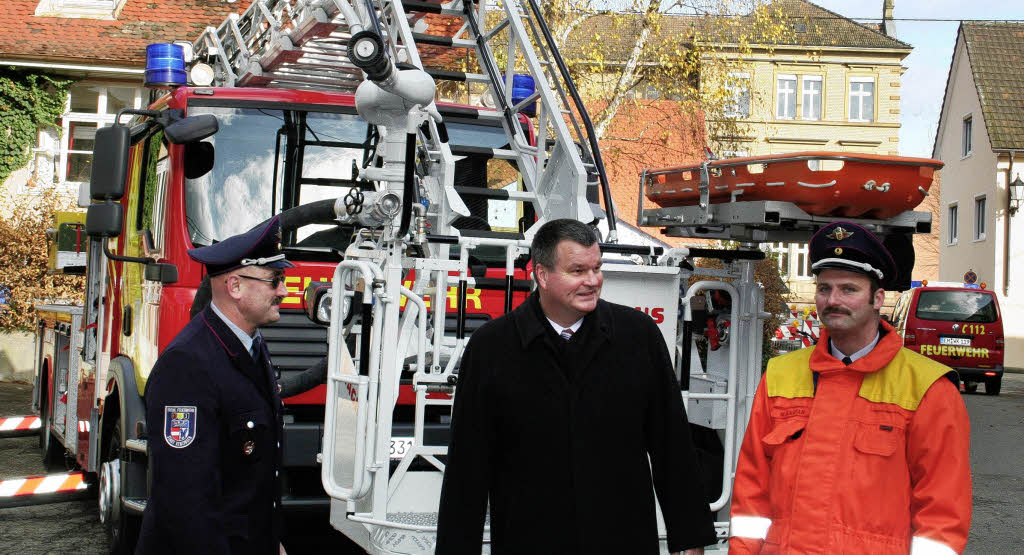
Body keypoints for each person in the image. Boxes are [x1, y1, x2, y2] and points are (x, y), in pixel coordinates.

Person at [436, 219, 716, 555]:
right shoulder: (492, 348)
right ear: (541, 275)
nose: (592, 281)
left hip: (622, 540)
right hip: (529, 541)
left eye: (597, 268)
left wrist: (691, 538)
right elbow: (468, 466)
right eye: (577, 271)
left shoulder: (637, 337)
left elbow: (672, 446)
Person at [729, 221, 972, 554]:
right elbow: (751, 492)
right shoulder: (780, 374)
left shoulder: (928, 388)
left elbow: (942, 513)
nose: (833, 300)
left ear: (878, 298)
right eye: (824, 288)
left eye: (849, 289)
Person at [136, 216, 292, 555]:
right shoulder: (187, 365)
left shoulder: (252, 346)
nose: (283, 290)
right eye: (274, 280)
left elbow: (251, 480)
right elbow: (185, 503)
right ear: (234, 287)